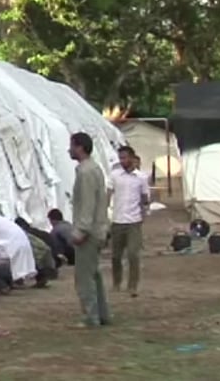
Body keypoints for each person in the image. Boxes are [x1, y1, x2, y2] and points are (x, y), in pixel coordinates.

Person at [69, 132, 110, 328]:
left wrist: (81, 230)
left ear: (79, 147)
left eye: (72, 146)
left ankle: (90, 316)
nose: (69, 150)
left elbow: (87, 204)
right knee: (94, 274)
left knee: (85, 276)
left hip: (89, 231)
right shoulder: (95, 168)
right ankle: (102, 314)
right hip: (98, 228)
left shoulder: (85, 172)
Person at [110, 145, 150, 297]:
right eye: (121, 158)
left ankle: (132, 285)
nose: (123, 161)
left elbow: (144, 197)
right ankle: (116, 282)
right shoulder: (115, 175)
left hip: (134, 221)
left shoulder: (141, 177)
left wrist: (143, 214)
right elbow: (109, 192)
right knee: (116, 256)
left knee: (133, 254)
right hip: (118, 219)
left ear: (132, 158)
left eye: (125, 157)